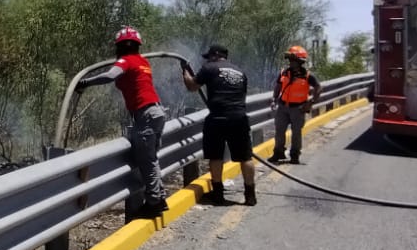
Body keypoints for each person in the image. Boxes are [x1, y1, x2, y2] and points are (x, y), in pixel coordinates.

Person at [77, 26, 168, 216]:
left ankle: (153, 203)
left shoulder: (126, 61)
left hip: (146, 114)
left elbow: (111, 76)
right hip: (157, 111)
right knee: (151, 159)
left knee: (147, 160)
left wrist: (86, 82)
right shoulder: (143, 61)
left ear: (120, 47)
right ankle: (159, 197)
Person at [180, 44, 257, 207]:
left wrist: (185, 72)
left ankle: (218, 194)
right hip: (239, 117)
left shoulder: (209, 68)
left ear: (214, 56)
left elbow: (192, 86)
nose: (208, 60)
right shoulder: (240, 72)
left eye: (209, 57)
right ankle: (250, 194)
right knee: (246, 157)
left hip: (218, 117)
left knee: (216, 156)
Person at [269, 44, 321, 165]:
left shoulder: (308, 75)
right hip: (283, 107)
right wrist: (274, 99)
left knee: (296, 133)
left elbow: (318, 87)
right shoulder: (284, 73)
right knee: (279, 131)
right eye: (289, 59)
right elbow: (278, 86)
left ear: (299, 61)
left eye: (292, 60)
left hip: (298, 109)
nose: (290, 62)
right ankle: (278, 153)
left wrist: (311, 102)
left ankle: (294, 155)